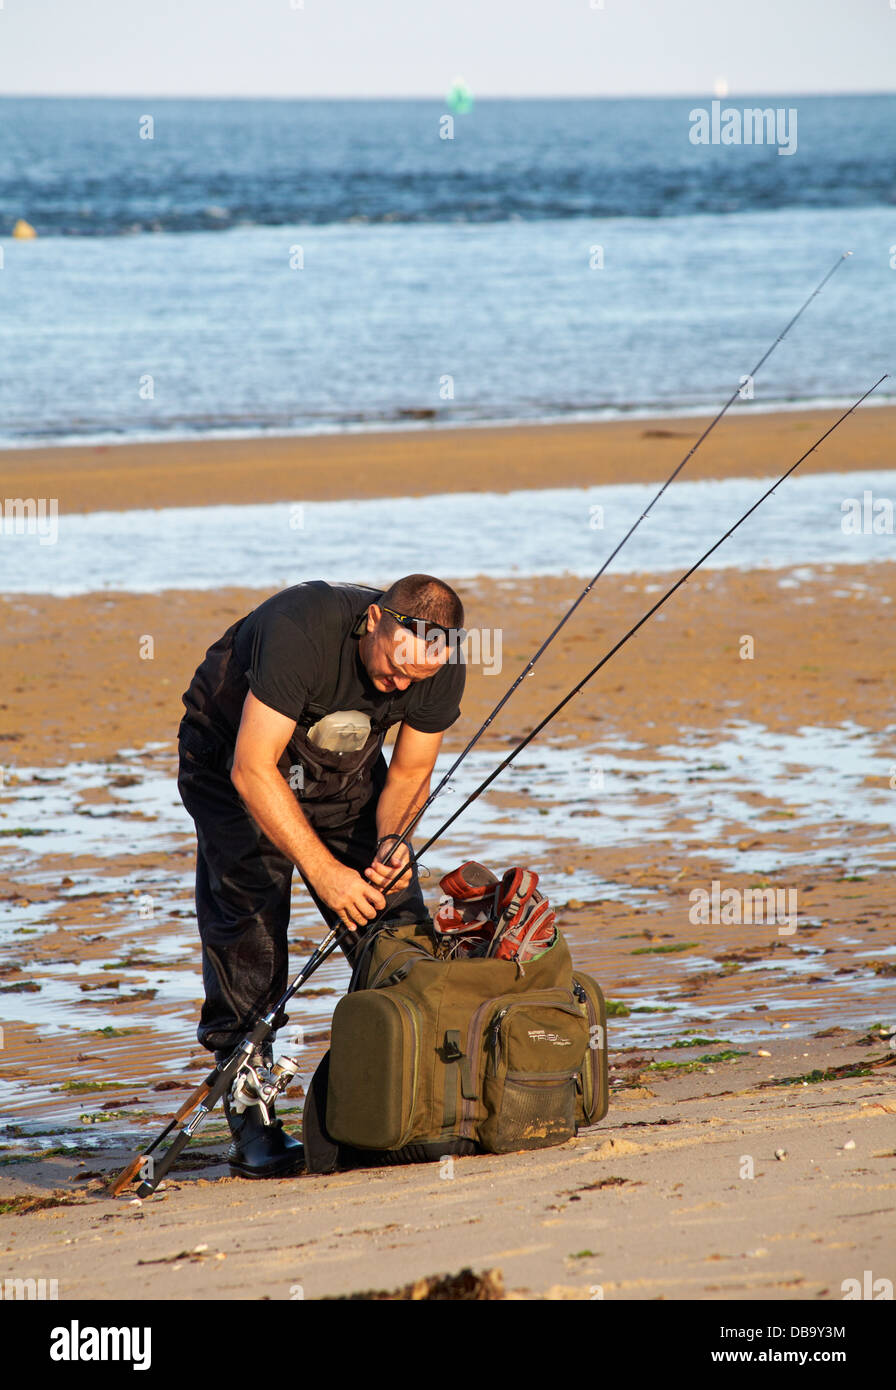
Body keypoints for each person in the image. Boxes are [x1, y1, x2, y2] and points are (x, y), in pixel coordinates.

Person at [176, 574, 466, 1177]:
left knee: (397, 926)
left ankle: (407, 1099)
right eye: (393, 670)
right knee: (250, 925)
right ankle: (251, 1118)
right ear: (371, 623)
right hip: (233, 758)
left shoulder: (439, 663)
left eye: (418, 677)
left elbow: (409, 775)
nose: (401, 684)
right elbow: (252, 770)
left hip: (343, 771)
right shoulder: (300, 628)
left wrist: (392, 841)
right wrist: (327, 874)